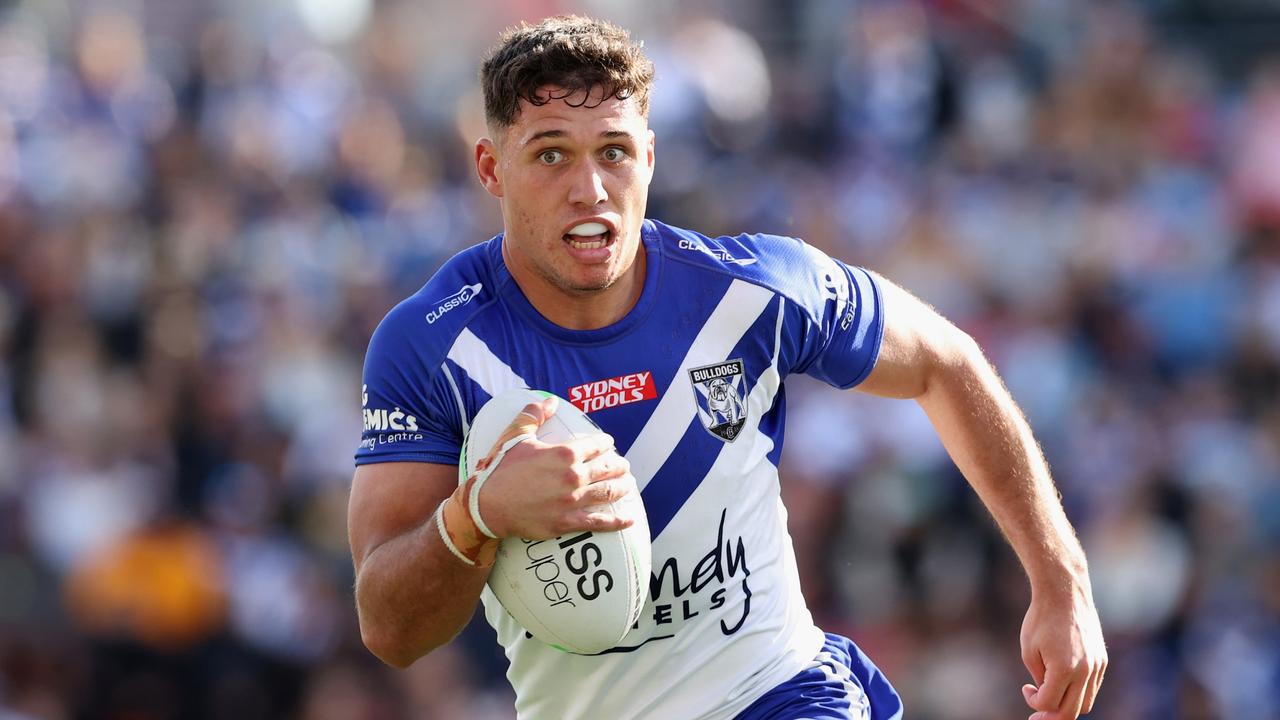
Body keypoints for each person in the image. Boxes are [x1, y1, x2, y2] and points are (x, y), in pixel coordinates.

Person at [347, 14, 1106, 720]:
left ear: (648, 156)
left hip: (779, 691)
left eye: (613, 151)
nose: (590, 189)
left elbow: (946, 361)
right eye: (550, 154)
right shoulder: (432, 345)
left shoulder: (744, 292)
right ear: (490, 167)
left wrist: (1060, 579)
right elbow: (390, 629)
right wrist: (476, 515)